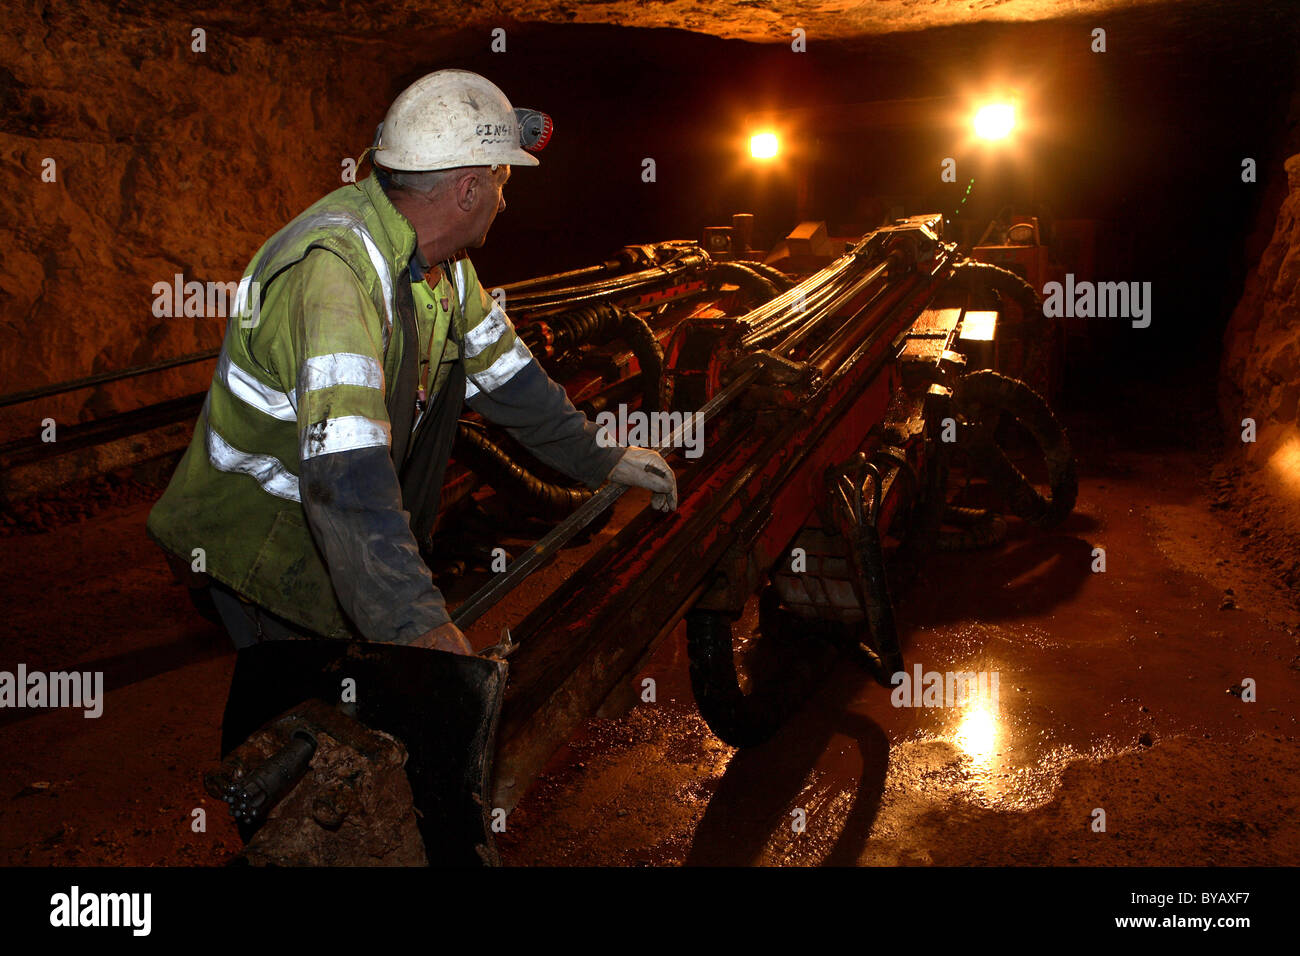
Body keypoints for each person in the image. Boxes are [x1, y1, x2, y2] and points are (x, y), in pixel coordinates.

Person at [147, 69, 676, 655]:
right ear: (469, 191)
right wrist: (415, 624)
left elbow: (506, 374)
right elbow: (346, 478)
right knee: (301, 723)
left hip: (325, 533)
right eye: (502, 180)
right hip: (268, 544)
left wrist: (601, 456)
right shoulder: (334, 276)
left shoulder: (439, 265)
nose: (506, 199)